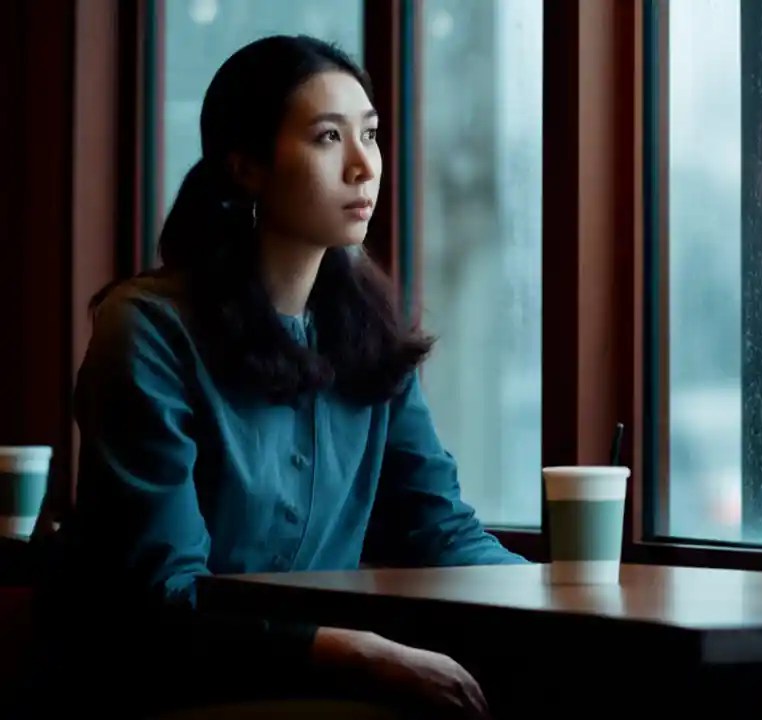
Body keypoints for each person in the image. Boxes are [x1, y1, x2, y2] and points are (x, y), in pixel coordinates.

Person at [27, 34, 525, 719]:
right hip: (153, 685)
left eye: (370, 135)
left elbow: (439, 531)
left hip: (315, 679)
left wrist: (574, 603)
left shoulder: (367, 334)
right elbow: (164, 595)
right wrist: (359, 651)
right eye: (328, 137)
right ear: (247, 168)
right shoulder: (147, 329)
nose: (363, 166)